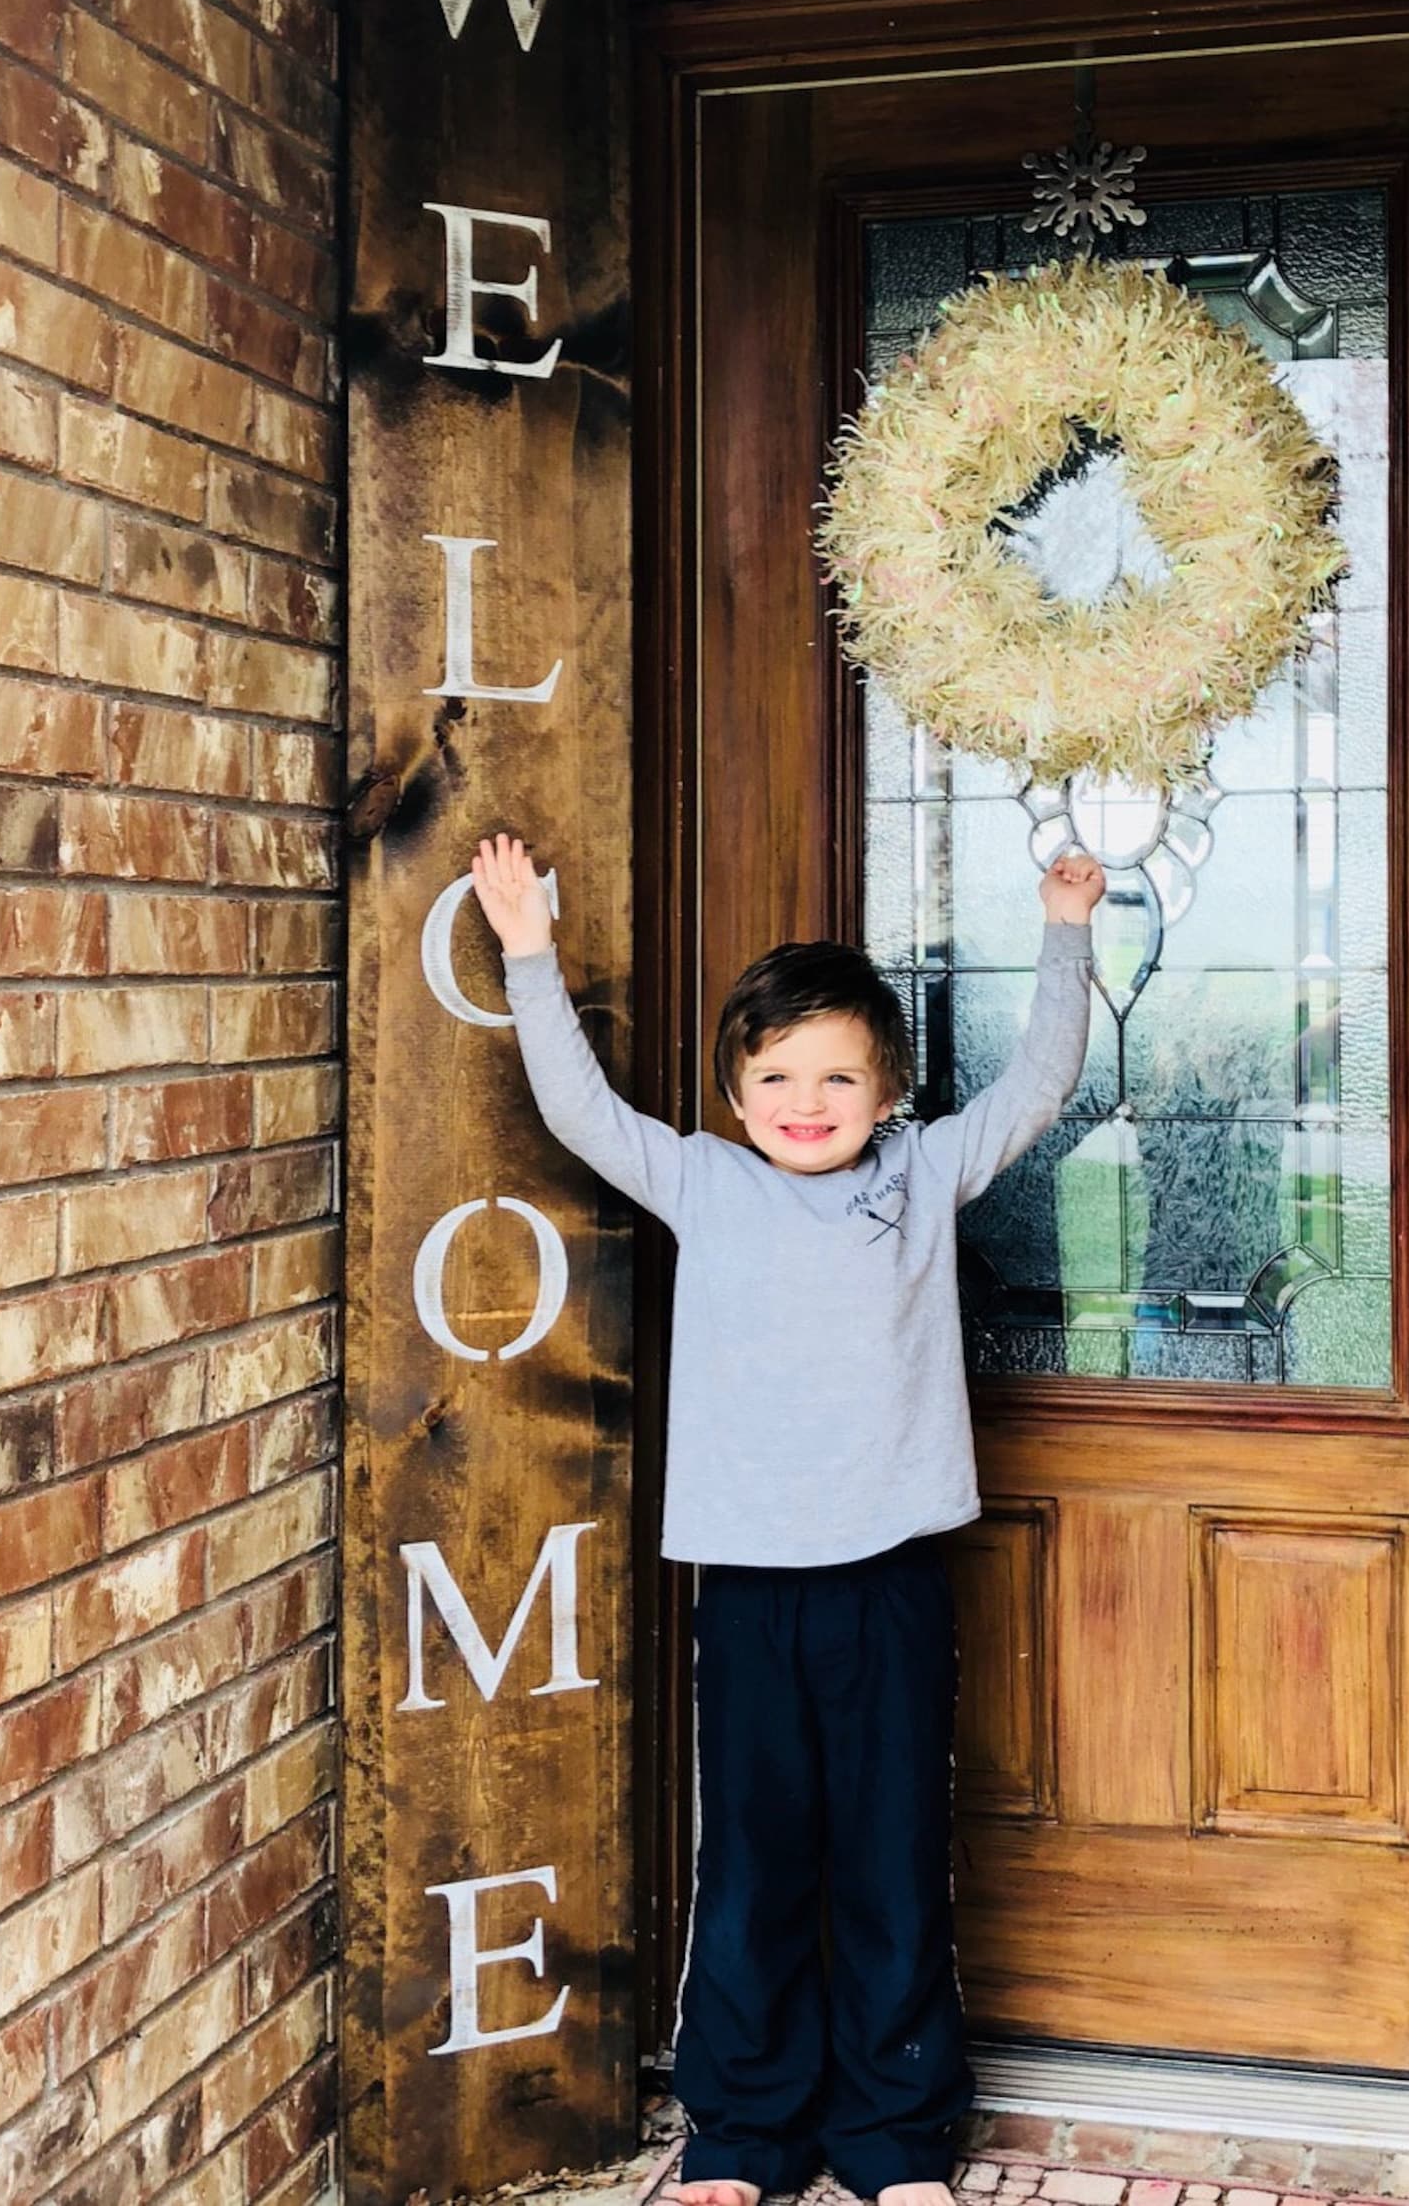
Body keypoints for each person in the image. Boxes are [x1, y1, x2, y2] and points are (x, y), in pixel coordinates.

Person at [470, 832, 1103, 2206]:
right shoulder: (704, 1178)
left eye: (836, 1075)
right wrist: (529, 951)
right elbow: (581, 1111)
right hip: (751, 1591)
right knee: (752, 1865)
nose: (804, 1100)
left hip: (891, 1581)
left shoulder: (924, 1173)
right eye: (773, 1076)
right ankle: (746, 2131)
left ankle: (894, 2137)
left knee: (890, 1861)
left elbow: (1043, 1079)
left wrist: (1063, 926)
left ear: (887, 1089)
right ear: (735, 1094)